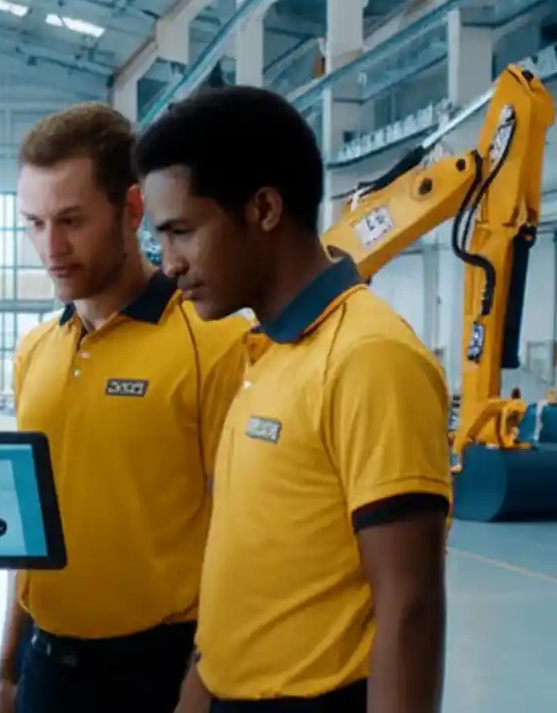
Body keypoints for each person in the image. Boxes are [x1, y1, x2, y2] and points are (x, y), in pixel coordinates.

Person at [134, 86, 450, 713]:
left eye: (182, 233)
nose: (167, 264)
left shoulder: (368, 357)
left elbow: (409, 606)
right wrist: (201, 687)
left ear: (265, 209)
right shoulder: (267, 352)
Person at [0, 102, 249, 713]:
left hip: (160, 671)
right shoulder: (36, 352)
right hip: (46, 668)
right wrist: (7, 667)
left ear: (132, 209)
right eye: (33, 223)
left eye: (71, 220)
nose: (50, 247)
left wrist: (204, 678)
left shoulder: (214, 343)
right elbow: (28, 535)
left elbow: (241, 534)